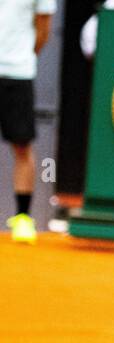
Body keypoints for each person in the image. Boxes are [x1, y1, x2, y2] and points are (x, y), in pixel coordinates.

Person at [1, 0, 55, 244]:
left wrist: (20, 58)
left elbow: (43, 31)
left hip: (18, 73)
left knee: (22, 146)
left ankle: (23, 218)